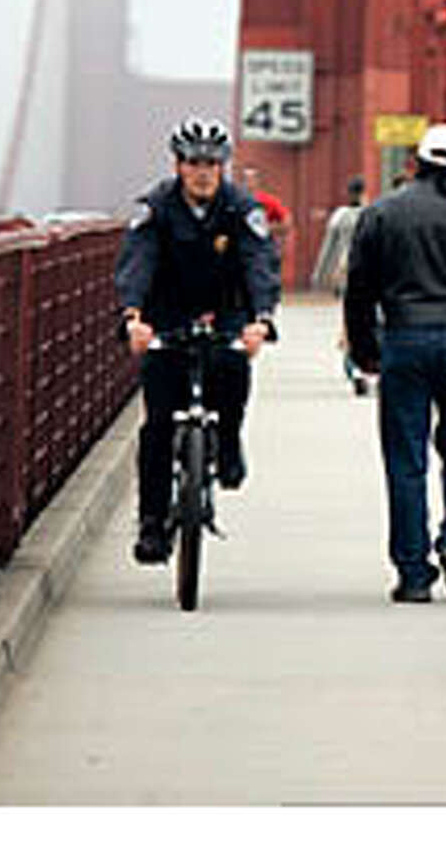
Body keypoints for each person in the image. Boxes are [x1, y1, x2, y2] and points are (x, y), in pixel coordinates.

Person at [344, 122, 446, 602]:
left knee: (405, 457)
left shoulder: (381, 214)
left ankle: (414, 572)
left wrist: (364, 350)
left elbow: (359, 289)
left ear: (414, 162)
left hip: (403, 338)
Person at [115, 117, 280, 566]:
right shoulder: (157, 207)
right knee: (157, 426)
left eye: (212, 162)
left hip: (226, 311)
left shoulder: (241, 208)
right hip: (167, 314)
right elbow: (138, 261)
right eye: (193, 162)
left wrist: (260, 320)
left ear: (224, 166)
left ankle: (227, 441)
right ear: (178, 165)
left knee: (232, 371)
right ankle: (151, 524)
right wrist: (133, 317)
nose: (203, 171)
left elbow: (259, 262)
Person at [312, 175, 370, 395]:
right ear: (364, 193)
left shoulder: (340, 217)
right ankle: (361, 364)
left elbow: (329, 248)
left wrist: (320, 276)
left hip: (345, 273)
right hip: (369, 275)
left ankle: (352, 365)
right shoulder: (371, 215)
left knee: (349, 320)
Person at [241, 165, 295, 272]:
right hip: (241, 252)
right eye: (245, 179)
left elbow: (287, 221)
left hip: (262, 252)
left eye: (251, 179)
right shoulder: (235, 200)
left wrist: (268, 228)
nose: (248, 182)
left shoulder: (268, 201)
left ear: (257, 181)